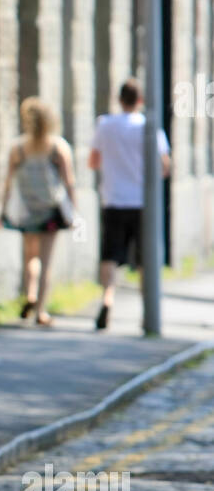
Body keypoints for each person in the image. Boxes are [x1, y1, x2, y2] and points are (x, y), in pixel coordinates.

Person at [88, 78, 170, 331]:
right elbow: (165, 166)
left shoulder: (105, 125)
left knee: (110, 255)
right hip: (143, 202)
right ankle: (148, 313)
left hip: (113, 198)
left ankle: (107, 298)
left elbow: (93, 161)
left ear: (119, 99)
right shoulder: (149, 127)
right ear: (140, 100)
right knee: (145, 258)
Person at [0, 98, 76, 326]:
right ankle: (41, 310)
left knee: (29, 256)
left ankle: (29, 295)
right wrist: (75, 212)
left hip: (27, 210)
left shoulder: (18, 148)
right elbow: (69, 182)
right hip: (50, 211)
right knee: (46, 260)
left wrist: (2, 212)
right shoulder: (57, 147)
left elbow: (8, 183)